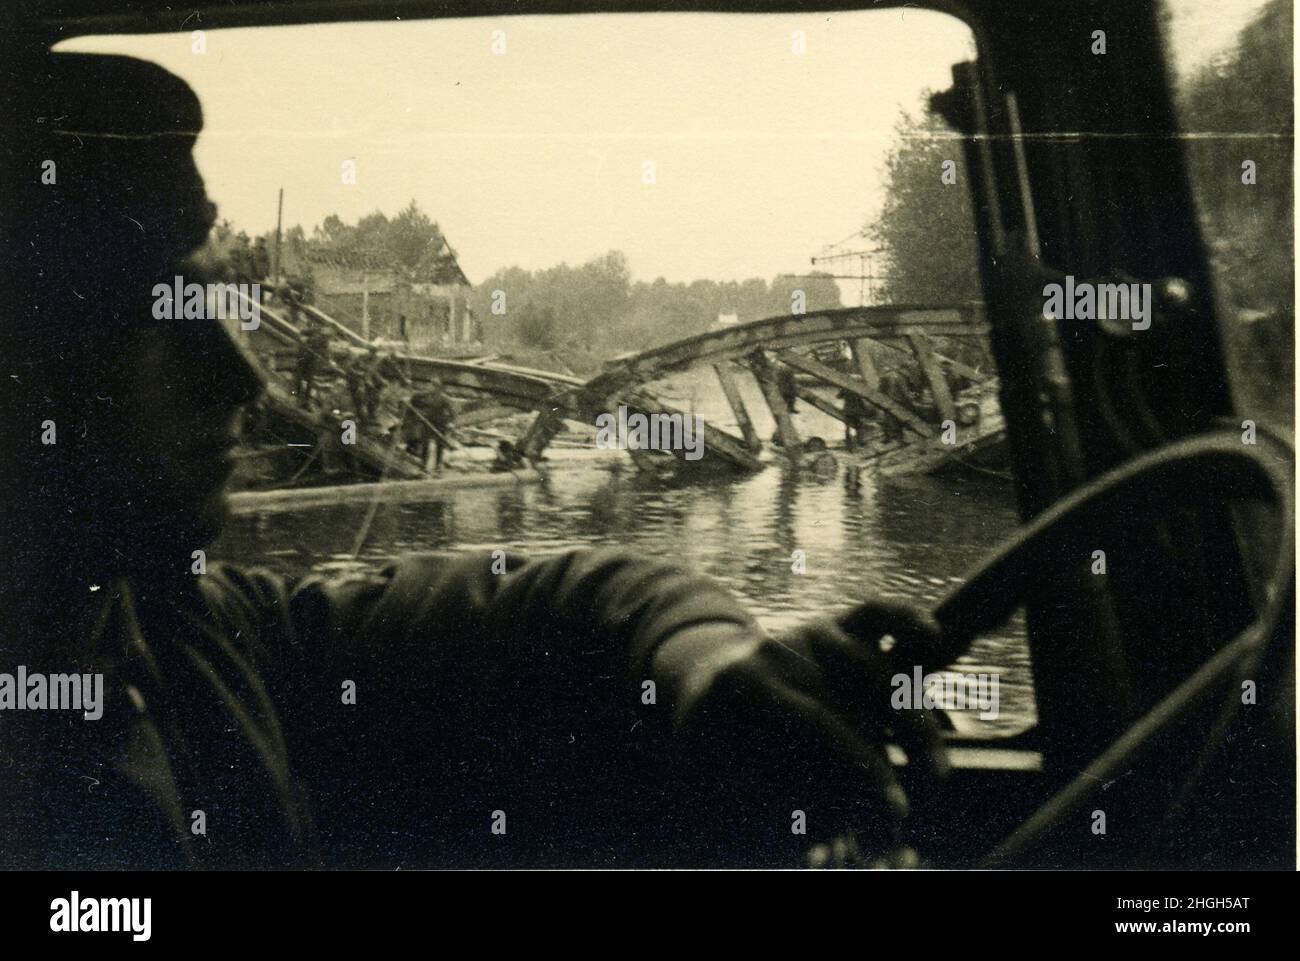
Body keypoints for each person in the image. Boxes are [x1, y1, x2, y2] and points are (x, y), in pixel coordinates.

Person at [3, 52, 944, 869]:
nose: (247, 380)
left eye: (225, 310)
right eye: (163, 320)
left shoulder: (192, 641)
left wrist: (714, 664)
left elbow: (577, 600)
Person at [406, 379, 455, 471]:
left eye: (432, 386)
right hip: (427, 423)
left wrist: (450, 423)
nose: (429, 387)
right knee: (425, 444)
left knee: (439, 446)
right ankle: (423, 465)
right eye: (429, 385)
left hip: (440, 424)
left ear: (437, 387)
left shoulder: (444, 398)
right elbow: (414, 399)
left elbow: (452, 413)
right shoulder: (425, 397)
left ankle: (438, 465)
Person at [294, 317, 331, 408]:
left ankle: (306, 401)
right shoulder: (314, 330)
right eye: (326, 327)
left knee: (310, 380)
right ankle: (297, 396)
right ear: (323, 327)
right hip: (304, 356)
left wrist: (326, 359)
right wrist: (302, 340)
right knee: (299, 375)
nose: (326, 331)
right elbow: (301, 333)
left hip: (313, 360)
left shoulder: (325, 339)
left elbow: (325, 351)